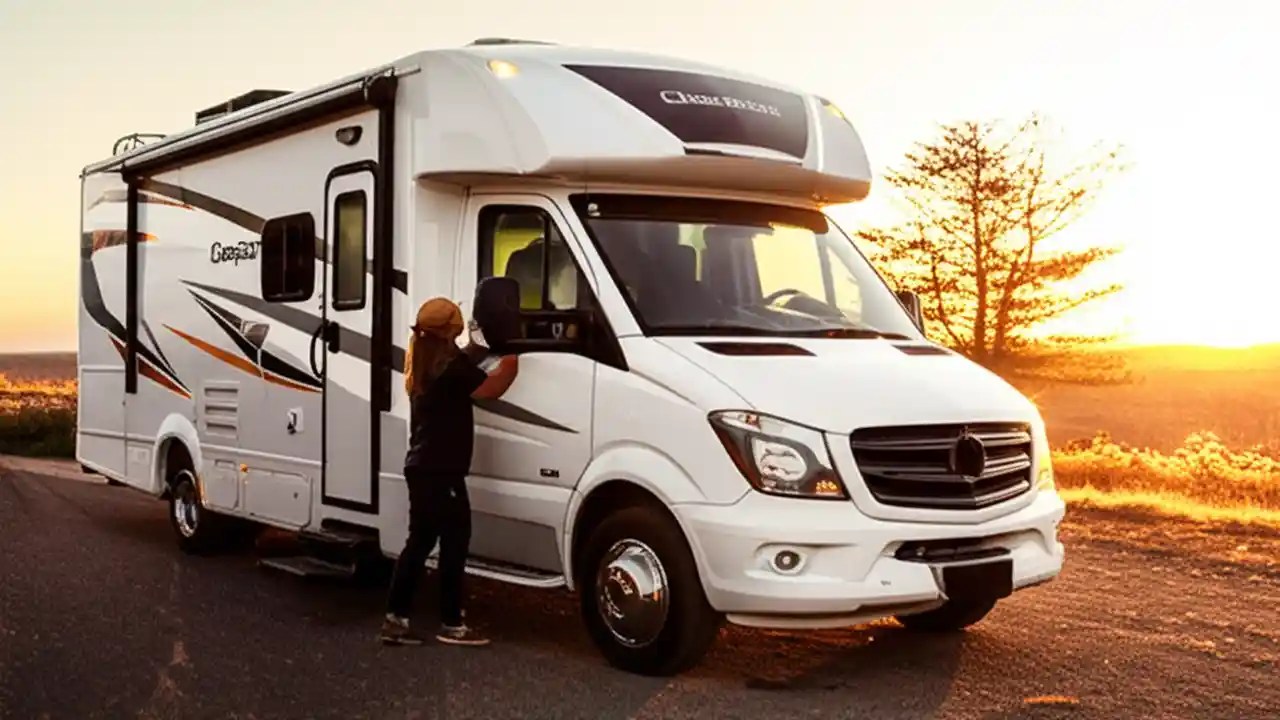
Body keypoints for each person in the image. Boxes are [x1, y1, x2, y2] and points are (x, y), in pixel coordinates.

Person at [379, 297, 519, 647]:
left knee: (420, 542)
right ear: (451, 330)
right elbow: (493, 387)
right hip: (443, 472)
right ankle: (452, 624)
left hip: (422, 467)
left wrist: (478, 347)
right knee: (455, 543)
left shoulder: (424, 363)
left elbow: (468, 356)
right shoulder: (453, 368)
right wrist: (514, 354)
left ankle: (396, 620)